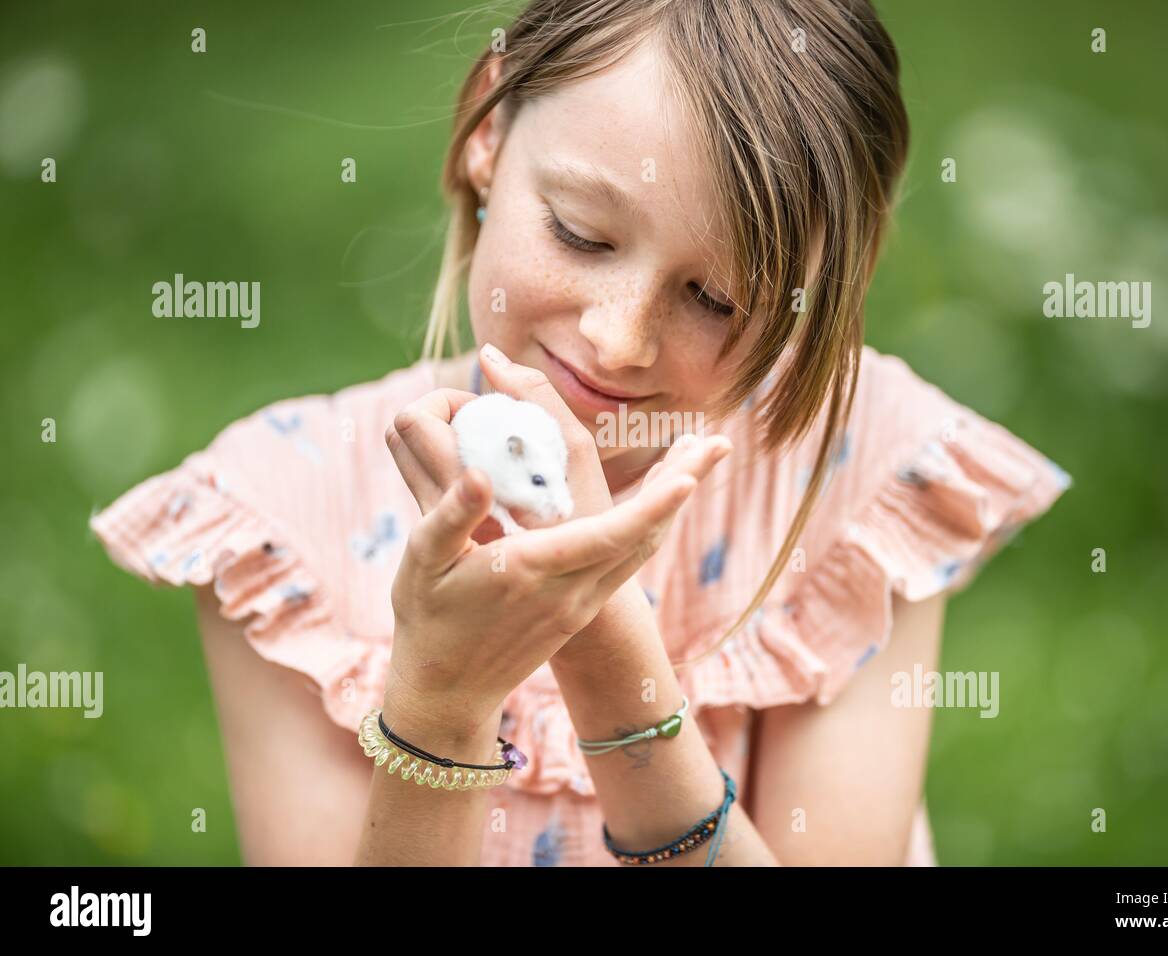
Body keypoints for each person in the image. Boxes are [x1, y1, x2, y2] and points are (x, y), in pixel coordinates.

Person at [90, 0, 1071, 866]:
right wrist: (440, 696)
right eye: (580, 233)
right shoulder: (280, 516)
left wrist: (607, 654)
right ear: (491, 129)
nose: (617, 338)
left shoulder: (858, 477)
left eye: (715, 298)